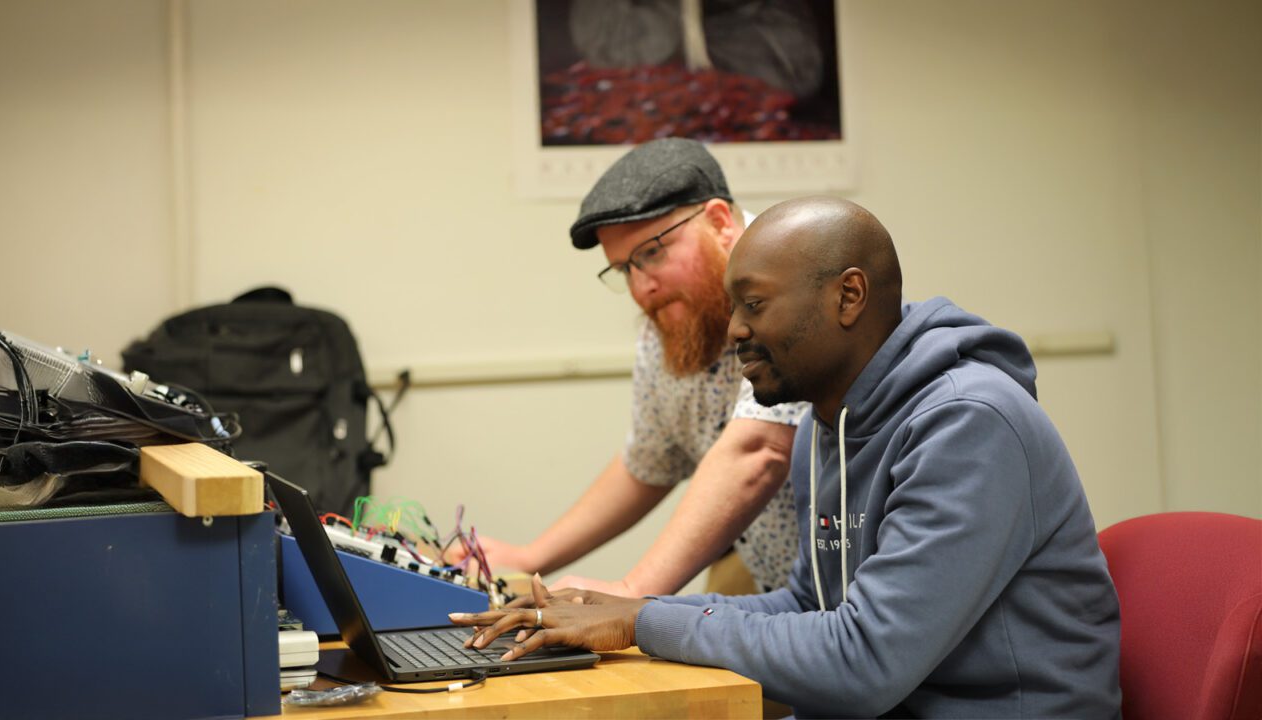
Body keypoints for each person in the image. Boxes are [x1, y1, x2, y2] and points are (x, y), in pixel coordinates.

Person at [451, 196, 1122, 718]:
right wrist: (620, 610)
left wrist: (641, 618)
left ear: (848, 296)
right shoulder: (824, 426)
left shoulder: (968, 423)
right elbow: (809, 603)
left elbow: (865, 662)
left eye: (755, 305)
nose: (735, 330)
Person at [470, 138, 806, 598]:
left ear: (718, 222)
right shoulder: (675, 317)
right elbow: (650, 461)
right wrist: (530, 558)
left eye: (652, 252)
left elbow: (761, 451)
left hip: (865, 596)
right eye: (624, 269)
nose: (641, 287)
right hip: (786, 592)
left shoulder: (790, 282)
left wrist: (631, 592)